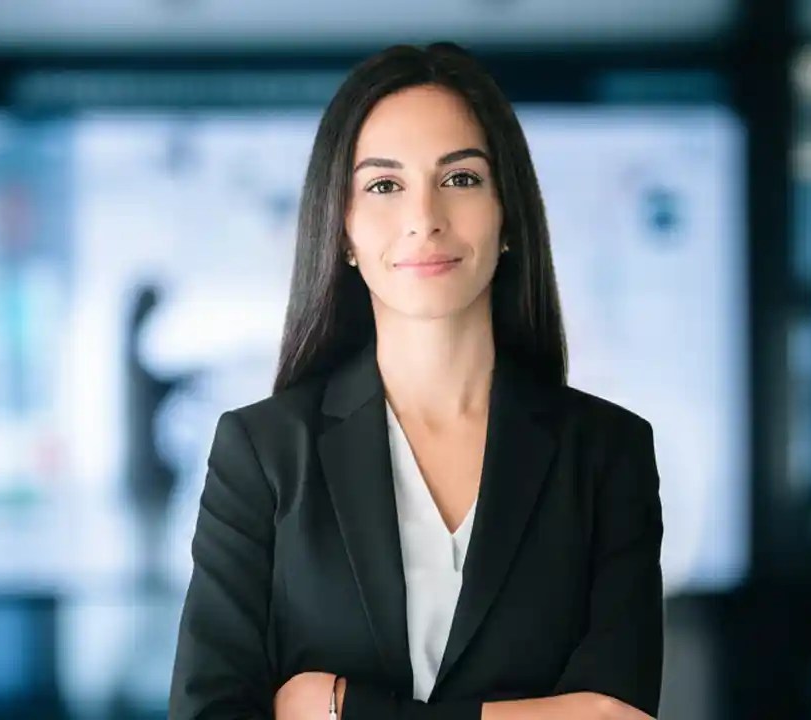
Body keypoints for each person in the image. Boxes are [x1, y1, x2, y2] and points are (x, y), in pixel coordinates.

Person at [169, 42, 664, 720]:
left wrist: (347, 711)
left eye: (460, 179)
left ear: (508, 214)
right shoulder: (264, 451)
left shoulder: (607, 452)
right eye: (383, 185)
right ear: (342, 230)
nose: (424, 217)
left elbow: (617, 716)